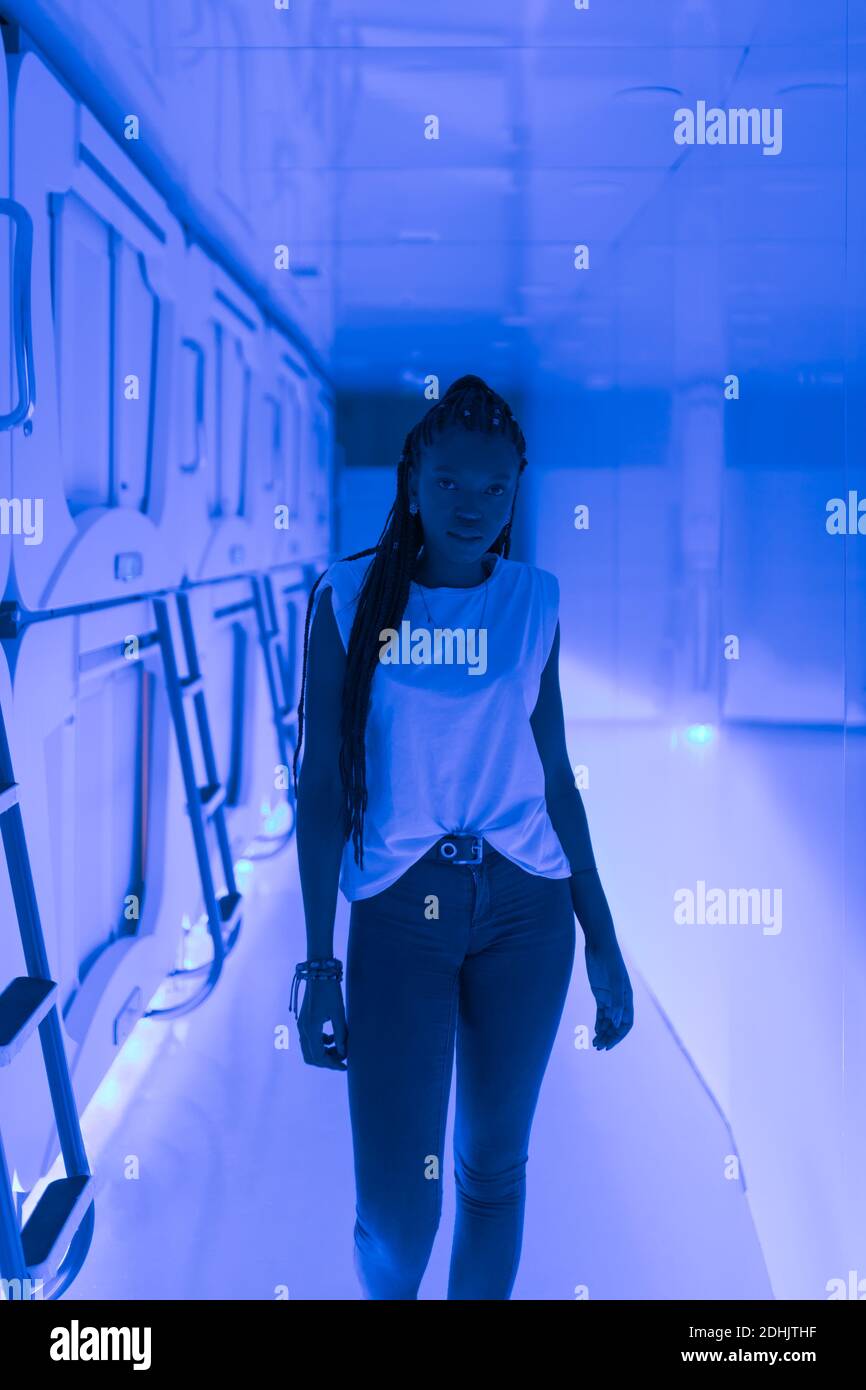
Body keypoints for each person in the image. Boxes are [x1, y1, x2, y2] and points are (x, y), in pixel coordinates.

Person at [291, 374, 633, 1300]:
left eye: (494, 488)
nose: (472, 505)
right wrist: (318, 961)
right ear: (412, 481)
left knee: (492, 1173)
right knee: (399, 1216)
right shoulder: (348, 596)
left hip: (527, 907)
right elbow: (318, 786)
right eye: (449, 482)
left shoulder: (535, 601)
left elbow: (556, 776)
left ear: (517, 491)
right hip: (401, 906)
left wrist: (602, 936)